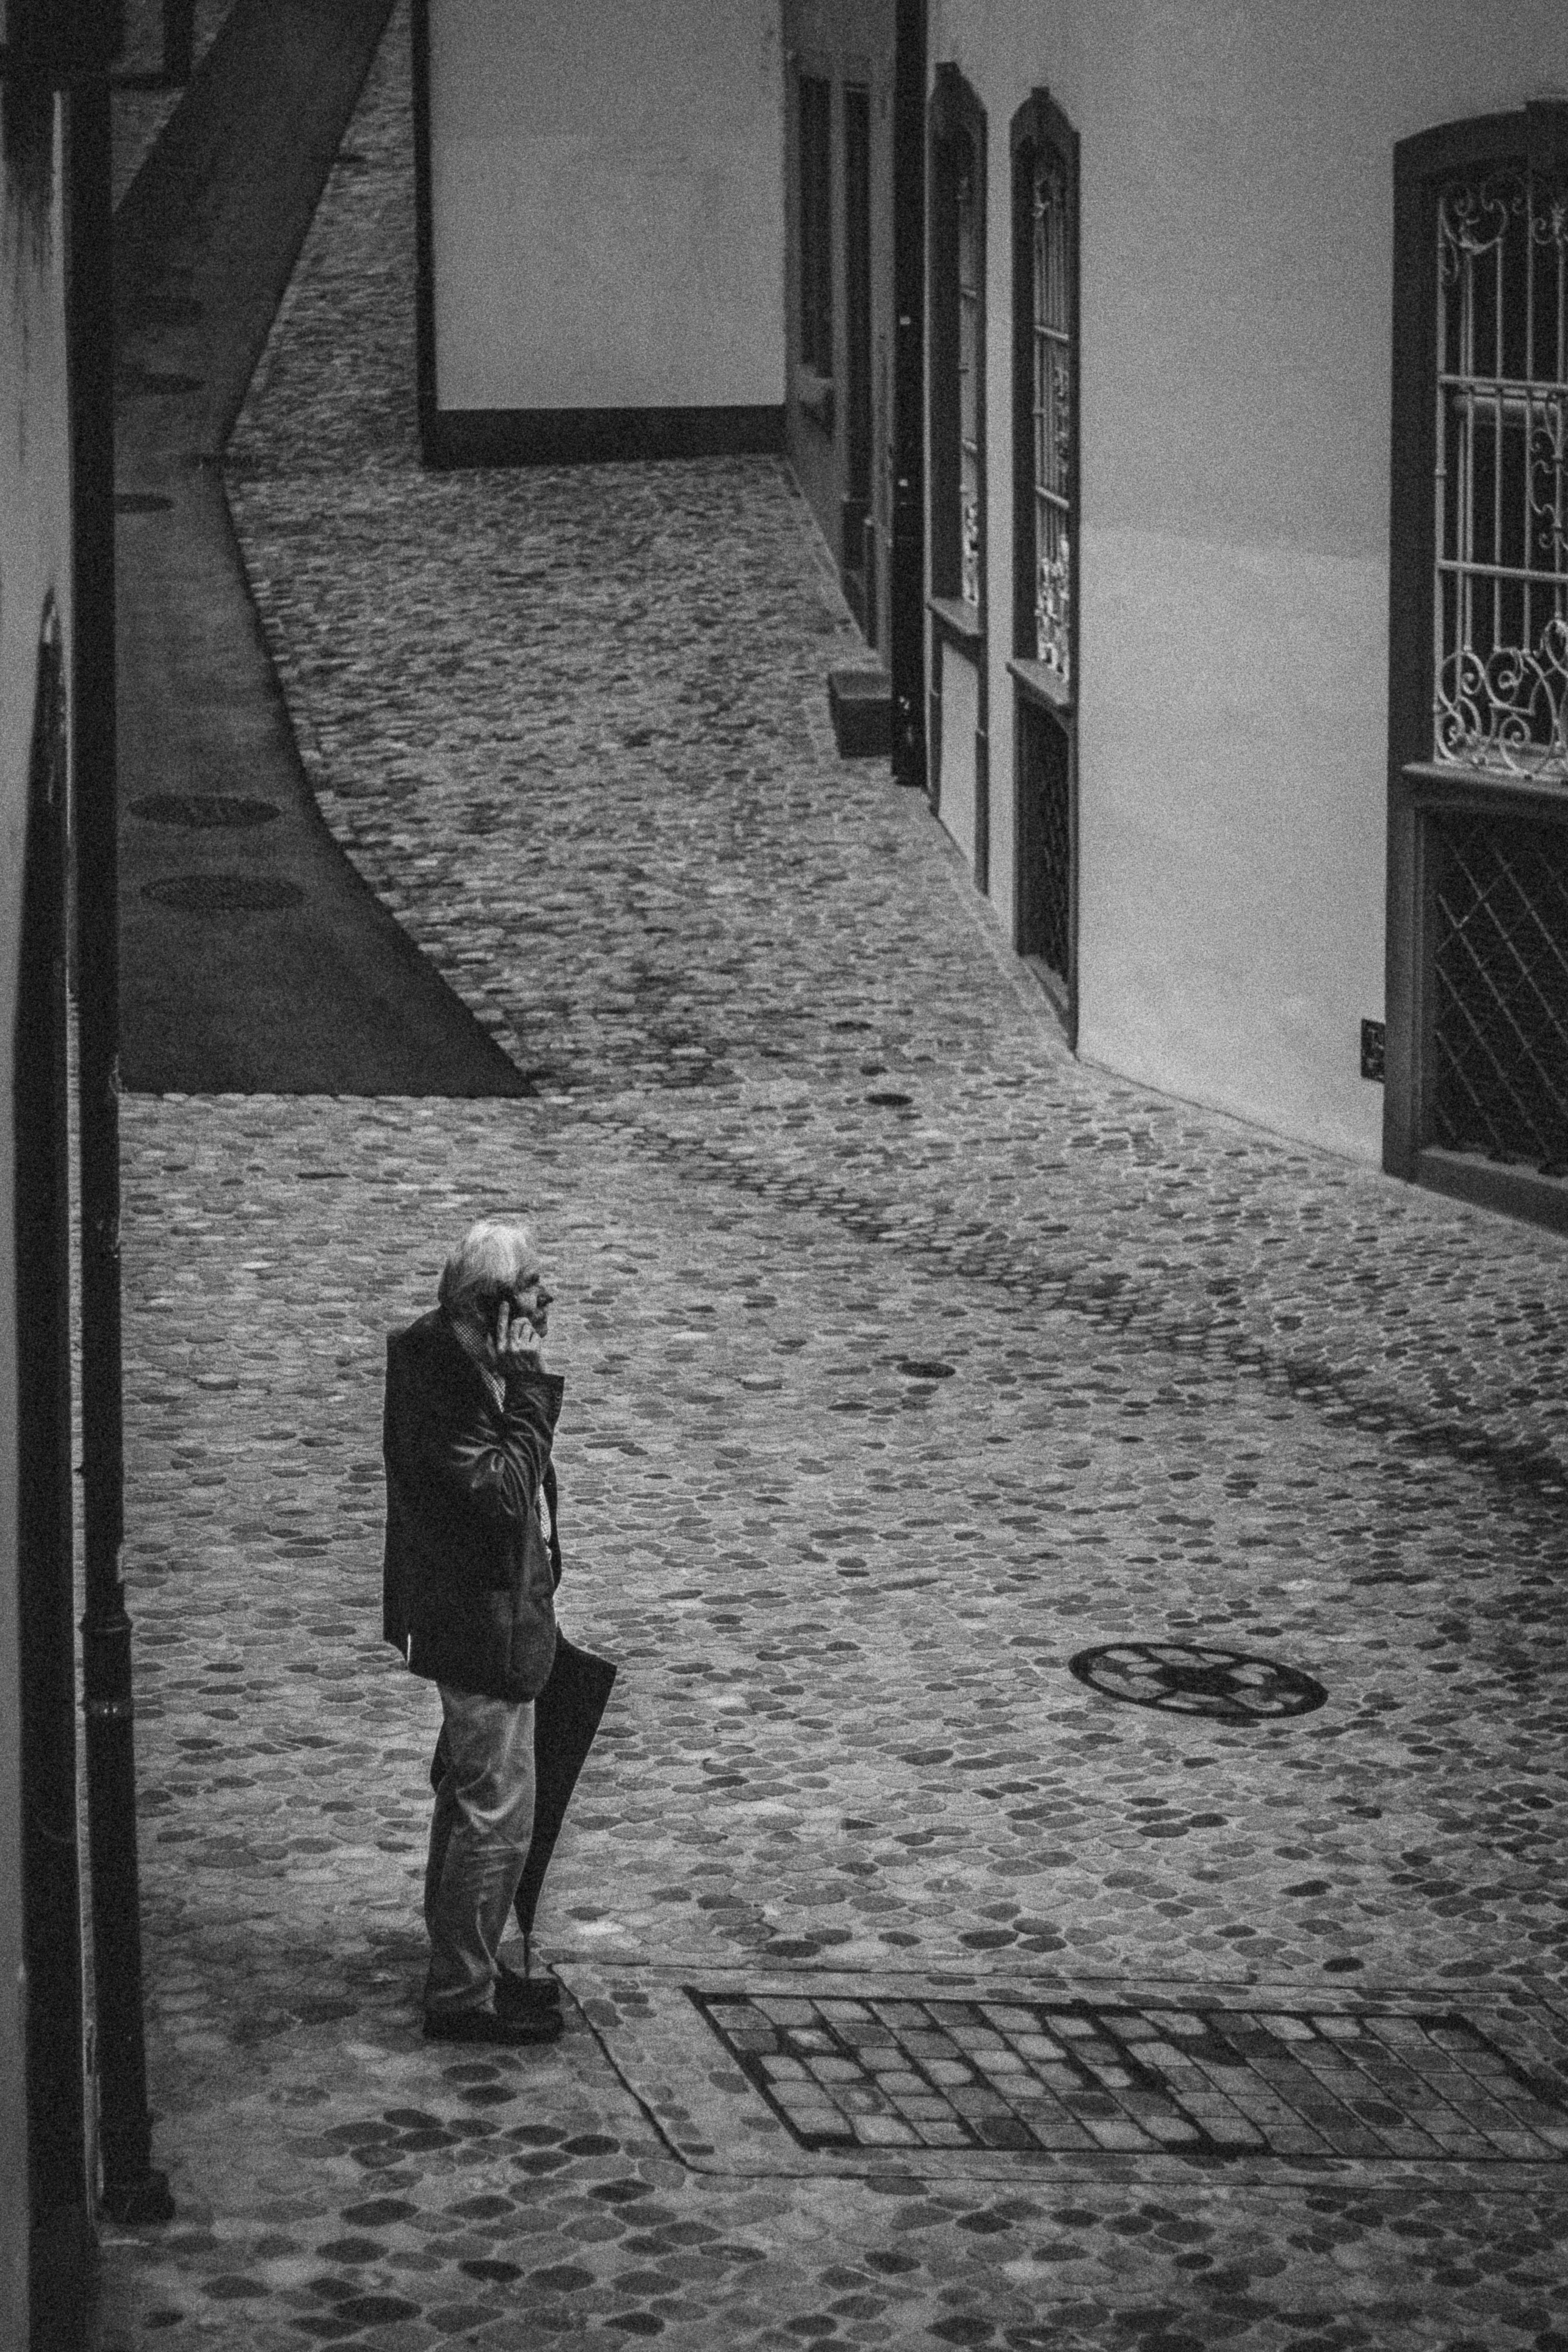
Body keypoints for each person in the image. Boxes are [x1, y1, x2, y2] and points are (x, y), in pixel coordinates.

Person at [382, 1216, 567, 2046]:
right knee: (495, 1813)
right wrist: (530, 1390)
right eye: (532, 1286)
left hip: (494, 1614)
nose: (547, 1296)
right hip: (477, 1625)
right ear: (493, 1307)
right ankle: (462, 1994)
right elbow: (498, 1495)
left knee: (472, 1801)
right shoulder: (447, 1376)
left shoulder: (464, 1359)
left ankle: (474, 1968)